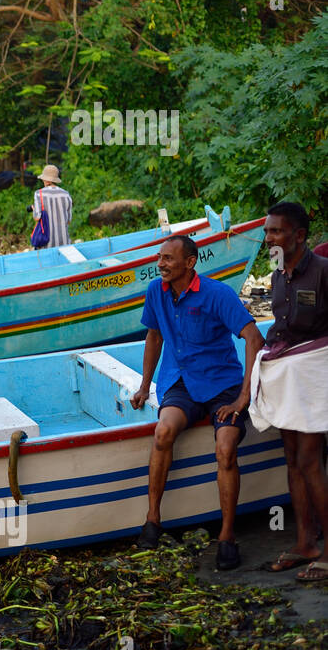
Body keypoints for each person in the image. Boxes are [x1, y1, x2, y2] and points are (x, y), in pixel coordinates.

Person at [130, 235, 264, 569]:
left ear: (190, 263)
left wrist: (244, 397)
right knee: (163, 432)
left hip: (223, 386)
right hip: (181, 381)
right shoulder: (156, 292)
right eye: (159, 258)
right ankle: (153, 520)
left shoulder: (217, 294)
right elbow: (154, 336)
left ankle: (227, 536)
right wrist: (145, 386)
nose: (160, 264)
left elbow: (254, 337)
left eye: (168, 259)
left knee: (226, 448)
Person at [249, 202, 328, 580]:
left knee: (311, 462)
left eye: (276, 232)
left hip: (313, 380)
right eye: (266, 232)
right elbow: (281, 329)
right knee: (293, 459)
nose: (269, 239)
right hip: (287, 379)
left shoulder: (324, 273)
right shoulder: (280, 275)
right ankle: (305, 542)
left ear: (299, 235)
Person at [32, 164, 73, 248]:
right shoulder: (66, 194)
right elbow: (68, 221)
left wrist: (34, 209)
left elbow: (37, 217)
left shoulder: (38, 194)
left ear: (47, 180)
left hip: (47, 244)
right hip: (64, 243)